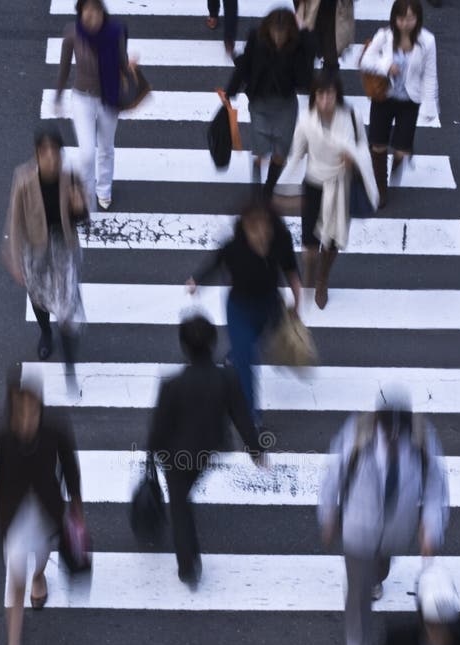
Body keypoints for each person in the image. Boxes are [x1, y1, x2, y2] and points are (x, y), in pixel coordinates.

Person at [319, 388, 448, 645]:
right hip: (359, 526)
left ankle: (376, 576)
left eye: (397, 434)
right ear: (378, 424)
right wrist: (328, 514)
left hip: (396, 527)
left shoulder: (422, 439)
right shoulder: (356, 435)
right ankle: (356, 644)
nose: (392, 440)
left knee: (381, 567)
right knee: (359, 589)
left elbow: (436, 488)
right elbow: (333, 477)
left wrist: (431, 526)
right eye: (388, 432)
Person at [0, 373, 83, 645]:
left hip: (46, 510)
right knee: (15, 575)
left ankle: (39, 576)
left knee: (41, 555)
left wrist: (77, 503)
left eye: (33, 410)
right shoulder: (1, 434)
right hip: (13, 513)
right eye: (22, 412)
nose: (28, 418)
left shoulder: (55, 430)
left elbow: (70, 467)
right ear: (12, 412)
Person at [148, 315, 263, 589]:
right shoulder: (228, 378)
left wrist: (150, 456)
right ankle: (188, 562)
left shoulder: (172, 385)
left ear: (183, 347)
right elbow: (242, 417)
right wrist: (256, 450)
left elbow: (159, 427)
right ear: (213, 343)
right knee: (184, 494)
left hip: (175, 454)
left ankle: (188, 566)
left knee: (179, 506)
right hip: (207, 450)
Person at [187, 202, 302, 423]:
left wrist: (297, 303)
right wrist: (197, 281)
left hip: (270, 305)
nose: (260, 233)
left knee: (264, 341)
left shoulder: (281, 240)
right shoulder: (234, 247)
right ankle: (252, 417)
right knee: (247, 363)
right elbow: (215, 263)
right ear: (245, 227)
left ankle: (234, 355)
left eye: (264, 226)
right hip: (240, 308)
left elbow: (291, 270)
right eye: (253, 227)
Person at [284, 69, 378, 309]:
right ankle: (311, 268)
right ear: (314, 95)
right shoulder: (306, 120)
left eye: (330, 94)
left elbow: (362, 149)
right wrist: (282, 187)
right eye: (321, 95)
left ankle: (322, 280)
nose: (325, 101)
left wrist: (353, 159)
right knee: (310, 246)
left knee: (333, 241)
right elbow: (297, 152)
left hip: (340, 186)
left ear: (337, 94)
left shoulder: (351, 117)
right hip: (314, 183)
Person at [2, 127, 88, 384]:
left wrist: (78, 207)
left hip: (63, 244)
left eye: (54, 150)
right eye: (44, 150)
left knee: (66, 303)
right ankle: (45, 333)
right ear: (37, 153)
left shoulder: (71, 177)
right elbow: (15, 218)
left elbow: (83, 219)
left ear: (61, 153)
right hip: (34, 243)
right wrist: (14, 256)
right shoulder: (24, 177)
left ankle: (69, 359)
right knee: (37, 293)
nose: (50, 156)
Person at [225, 7, 315, 196]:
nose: (278, 38)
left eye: (283, 33)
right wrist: (231, 90)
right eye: (275, 32)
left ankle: (269, 187)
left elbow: (306, 80)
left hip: (285, 104)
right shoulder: (256, 38)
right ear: (269, 29)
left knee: (282, 150)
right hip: (260, 102)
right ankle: (257, 165)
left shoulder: (298, 46)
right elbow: (245, 66)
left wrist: (306, 39)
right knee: (260, 144)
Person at [360, 0, 438, 208]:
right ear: (394, 18)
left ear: (418, 19)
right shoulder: (384, 36)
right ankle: (380, 189)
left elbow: (430, 75)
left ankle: (399, 158)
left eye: (410, 19)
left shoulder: (427, 41)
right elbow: (366, 60)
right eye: (401, 18)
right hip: (384, 97)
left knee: (402, 148)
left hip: (409, 101)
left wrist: (430, 106)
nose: (405, 24)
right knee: (378, 144)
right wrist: (386, 66)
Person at [56, 0, 129, 210]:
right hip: (82, 97)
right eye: (86, 10)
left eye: (95, 11)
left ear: (102, 12)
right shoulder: (72, 33)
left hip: (109, 97)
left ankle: (104, 189)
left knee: (106, 147)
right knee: (87, 153)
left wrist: (129, 70)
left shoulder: (115, 31)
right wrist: (58, 96)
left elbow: (122, 62)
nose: (91, 16)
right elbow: (64, 67)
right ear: (80, 12)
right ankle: (85, 194)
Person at [293, 0, 355, 73]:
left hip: (334, 9)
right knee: (306, 51)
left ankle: (328, 80)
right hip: (313, 9)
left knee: (331, 52)